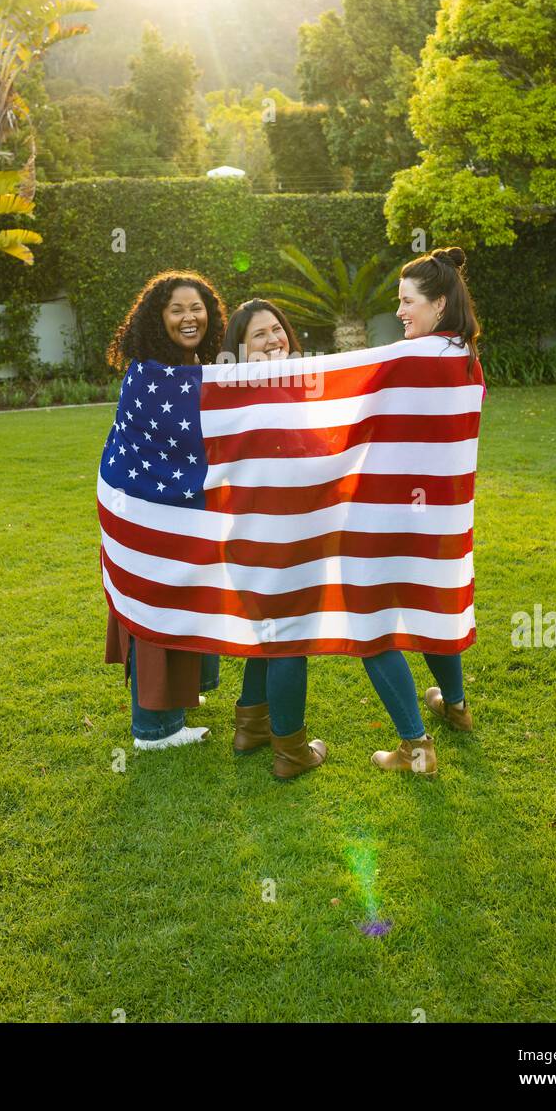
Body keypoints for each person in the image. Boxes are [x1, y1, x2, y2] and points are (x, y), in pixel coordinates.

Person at [361, 244, 484, 777]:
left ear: (439, 304)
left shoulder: (410, 358)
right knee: (433, 608)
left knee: (370, 624)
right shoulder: (466, 357)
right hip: (442, 518)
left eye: (408, 301)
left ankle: (416, 748)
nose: (399, 311)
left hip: (395, 517)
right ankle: (454, 705)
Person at [102, 271, 226, 750]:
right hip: (147, 509)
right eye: (176, 309)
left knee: (184, 603)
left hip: (180, 508)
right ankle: (154, 731)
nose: (189, 317)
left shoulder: (199, 367)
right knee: (158, 606)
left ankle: (173, 713)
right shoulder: (153, 373)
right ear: (158, 318)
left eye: (197, 307)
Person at [220, 298, 327, 780]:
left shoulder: (236, 394)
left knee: (267, 631)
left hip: (248, 533)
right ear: (239, 349)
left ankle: (252, 727)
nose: (273, 339)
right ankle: (291, 752)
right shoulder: (270, 396)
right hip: (279, 533)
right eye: (259, 335)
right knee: (290, 638)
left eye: (277, 329)